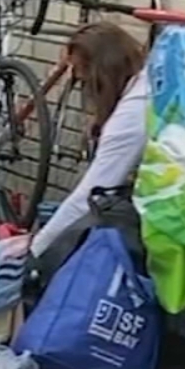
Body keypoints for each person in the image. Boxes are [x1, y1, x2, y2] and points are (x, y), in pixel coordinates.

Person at [31, 23, 148, 256]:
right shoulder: (147, 80)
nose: (86, 91)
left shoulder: (130, 118)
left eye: (85, 81)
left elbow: (90, 194)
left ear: (102, 75)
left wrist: (35, 249)